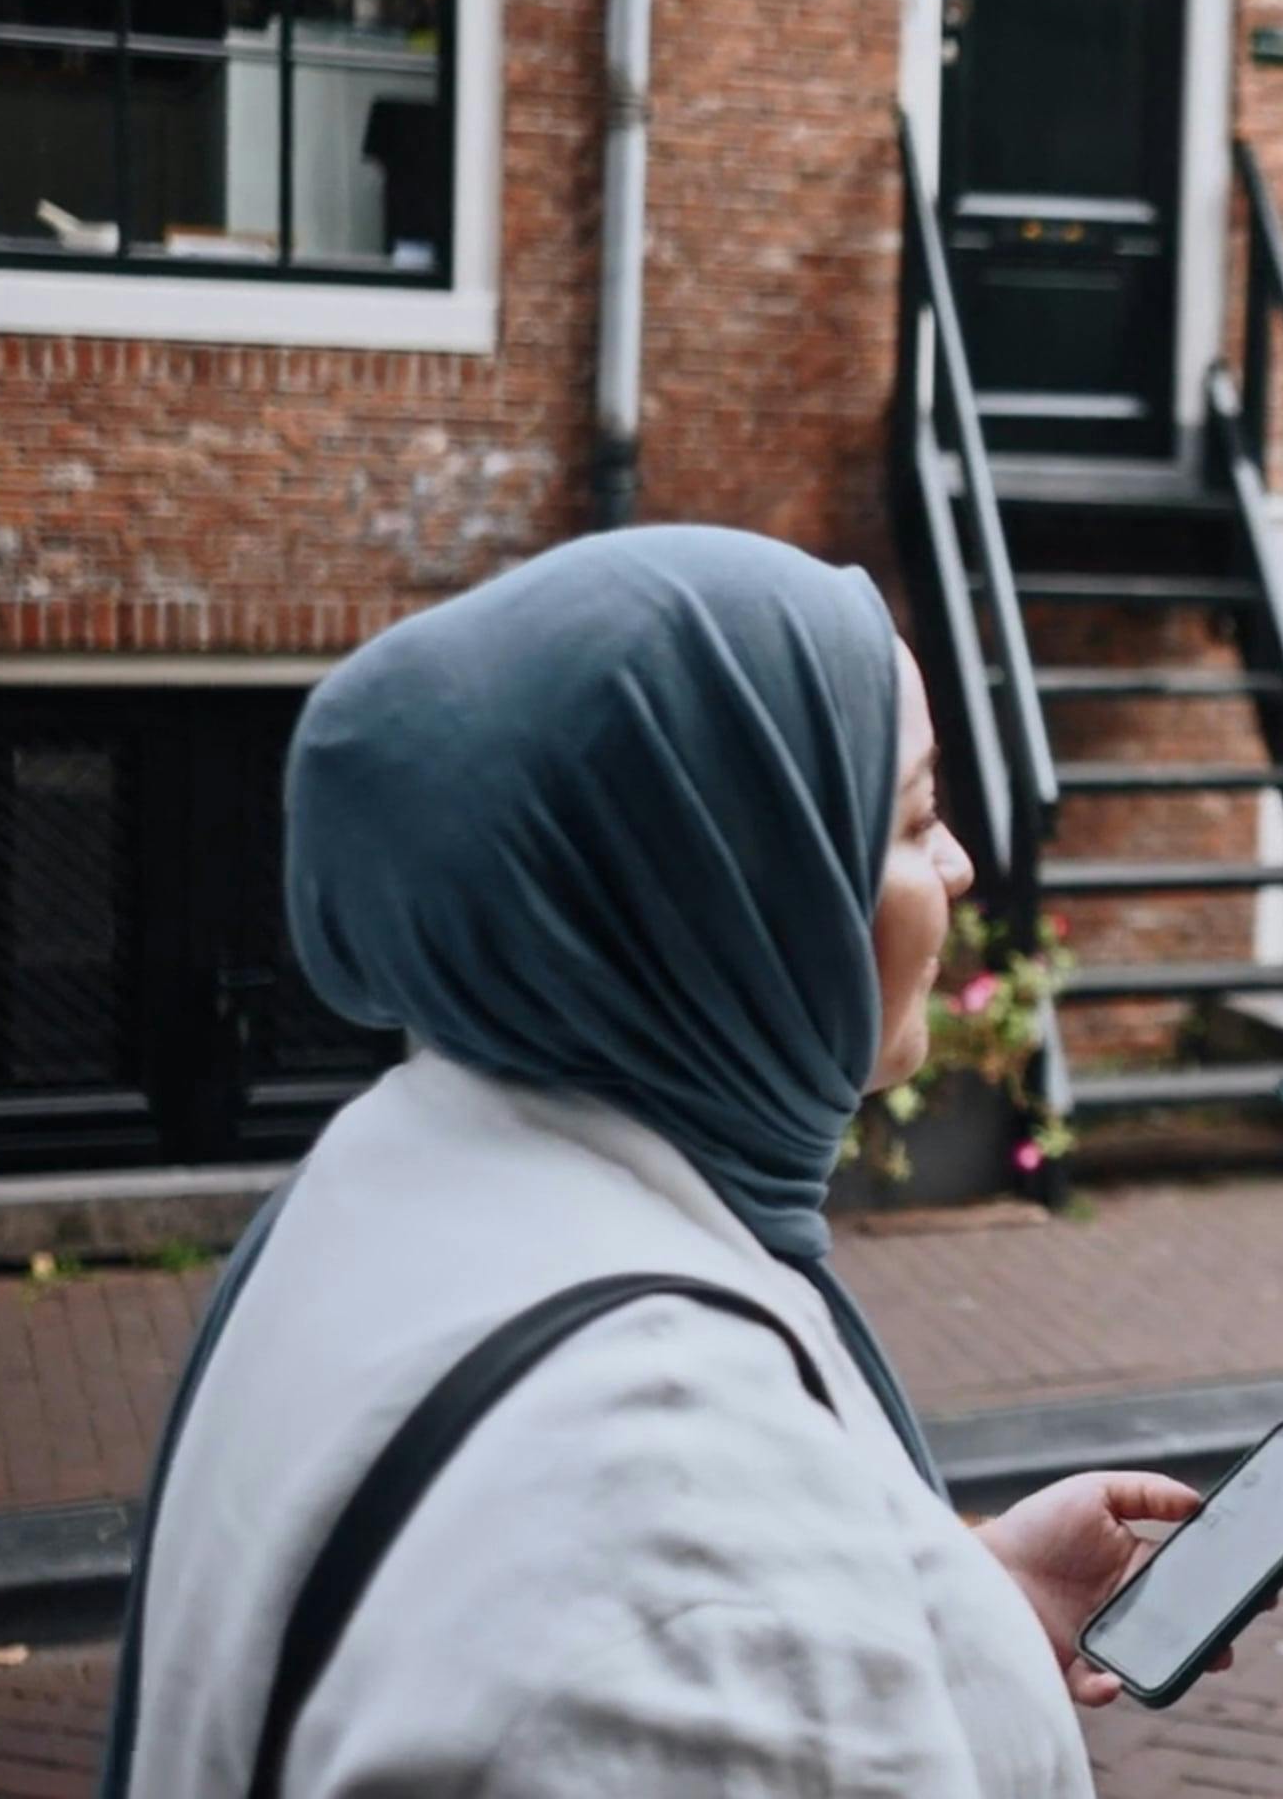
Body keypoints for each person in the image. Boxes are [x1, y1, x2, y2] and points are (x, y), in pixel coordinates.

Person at [106, 526, 1216, 1797]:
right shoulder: (679, 1535)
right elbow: (693, 1624)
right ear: (745, 892)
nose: (961, 864)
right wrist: (799, 1605)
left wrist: (965, 1596)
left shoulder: (402, 1169)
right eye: (911, 820)